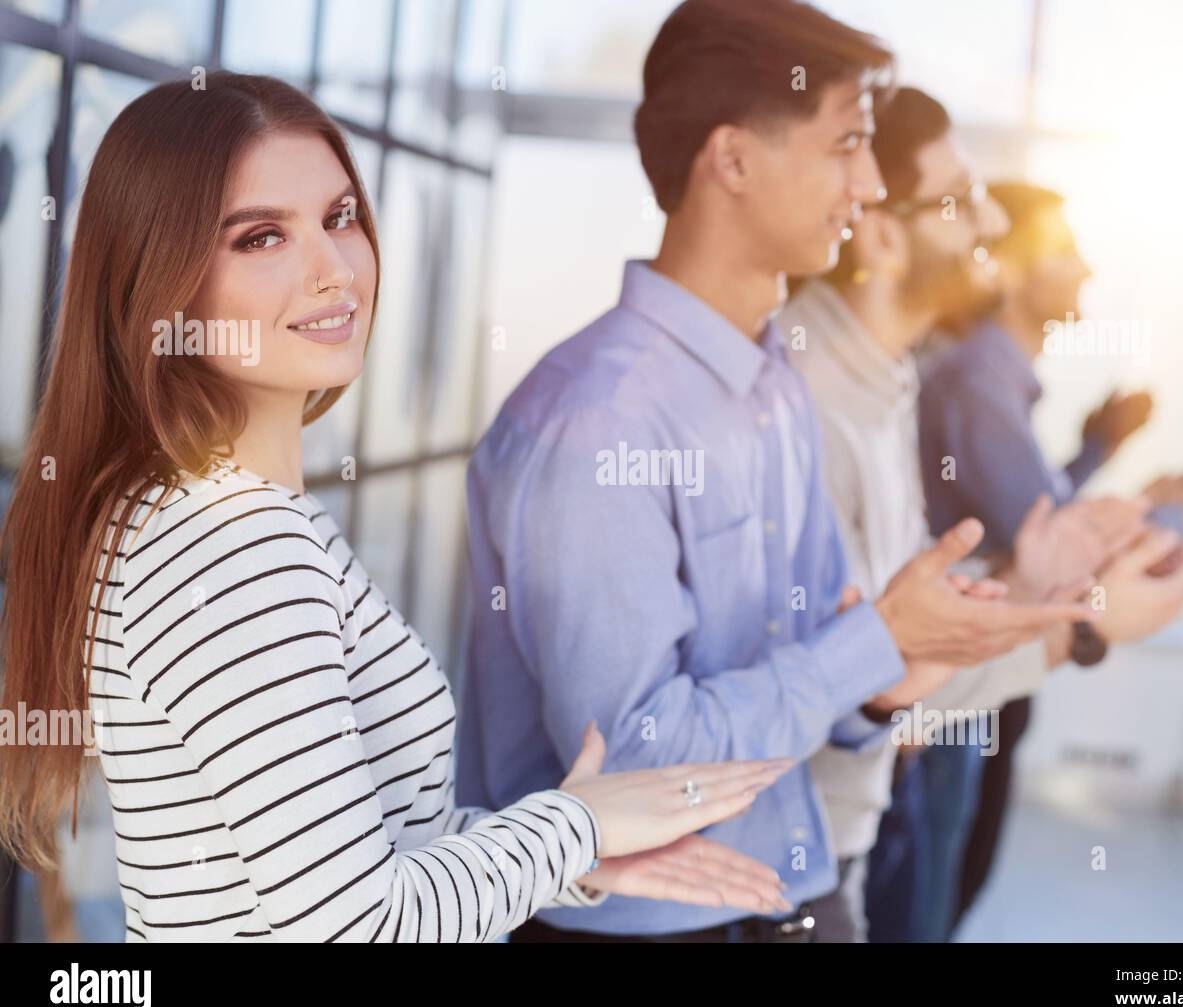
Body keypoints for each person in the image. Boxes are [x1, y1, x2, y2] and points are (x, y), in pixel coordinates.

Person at [0, 72, 796, 943]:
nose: (334, 270)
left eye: (340, 218)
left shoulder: (185, 509)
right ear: (164, 285)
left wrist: (567, 852)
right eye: (261, 237)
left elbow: (362, 859)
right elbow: (355, 926)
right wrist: (579, 825)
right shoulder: (235, 549)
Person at [458, 0, 1091, 944]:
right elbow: (639, 766)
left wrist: (885, 674)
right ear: (735, 161)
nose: (868, 184)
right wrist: (871, 643)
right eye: (847, 145)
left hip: (785, 896)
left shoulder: (774, 389)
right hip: (640, 929)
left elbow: (819, 665)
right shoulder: (597, 420)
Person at [780, 85, 1183, 942]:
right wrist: (1085, 609)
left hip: (869, 786)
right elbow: (870, 670)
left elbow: (909, 625)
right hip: (830, 815)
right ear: (883, 232)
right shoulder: (859, 391)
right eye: (958, 204)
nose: (984, 234)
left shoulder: (892, 383)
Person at [918, 179, 1183, 930]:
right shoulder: (980, 379)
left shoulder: (994, 378)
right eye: (1065, 252)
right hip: (953, 676)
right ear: (1011, 268)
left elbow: (1034, 513)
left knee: (950, 884)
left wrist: (1110, 456)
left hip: (974, 667)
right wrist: (1176, 513)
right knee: (928, 899)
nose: (1086, 270)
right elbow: (1050, 539)